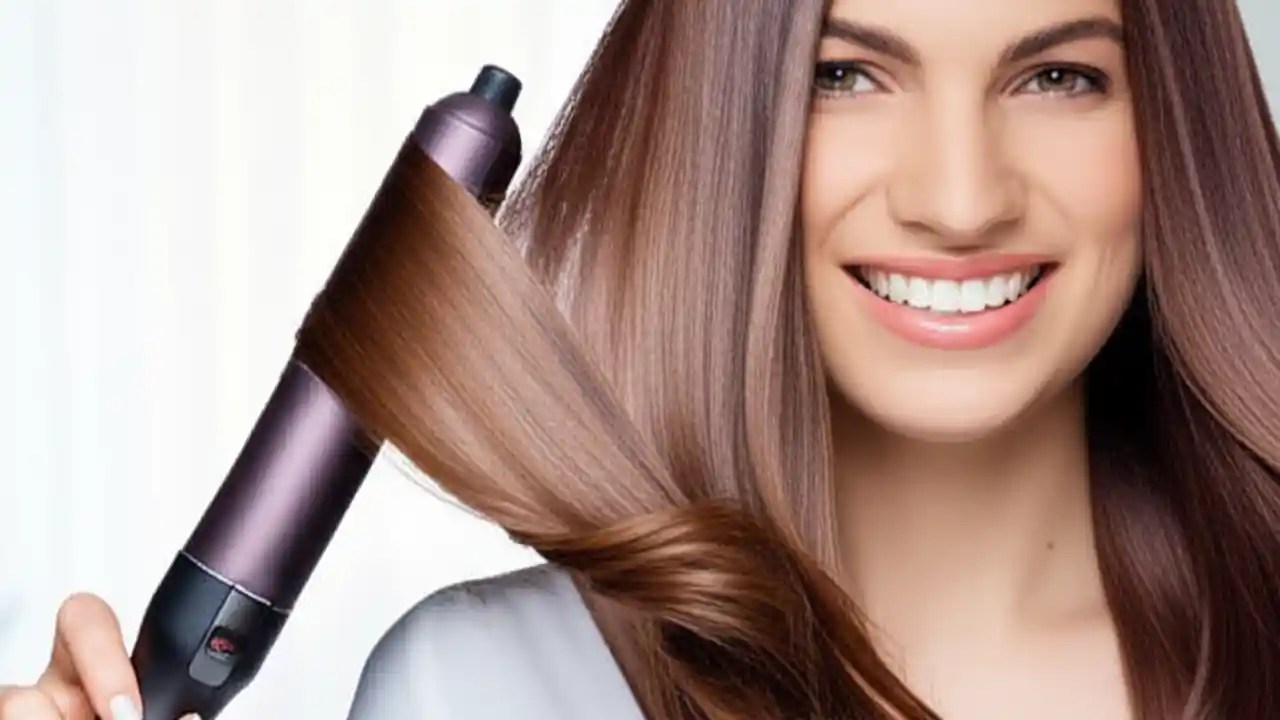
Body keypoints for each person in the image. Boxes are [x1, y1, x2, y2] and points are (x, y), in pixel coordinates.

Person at [5, 0, 1278, 717]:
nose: (958, 198)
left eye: (1056, 76)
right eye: (843, 75)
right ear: (724, 135)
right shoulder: (484, 695)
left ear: (1175, 129)